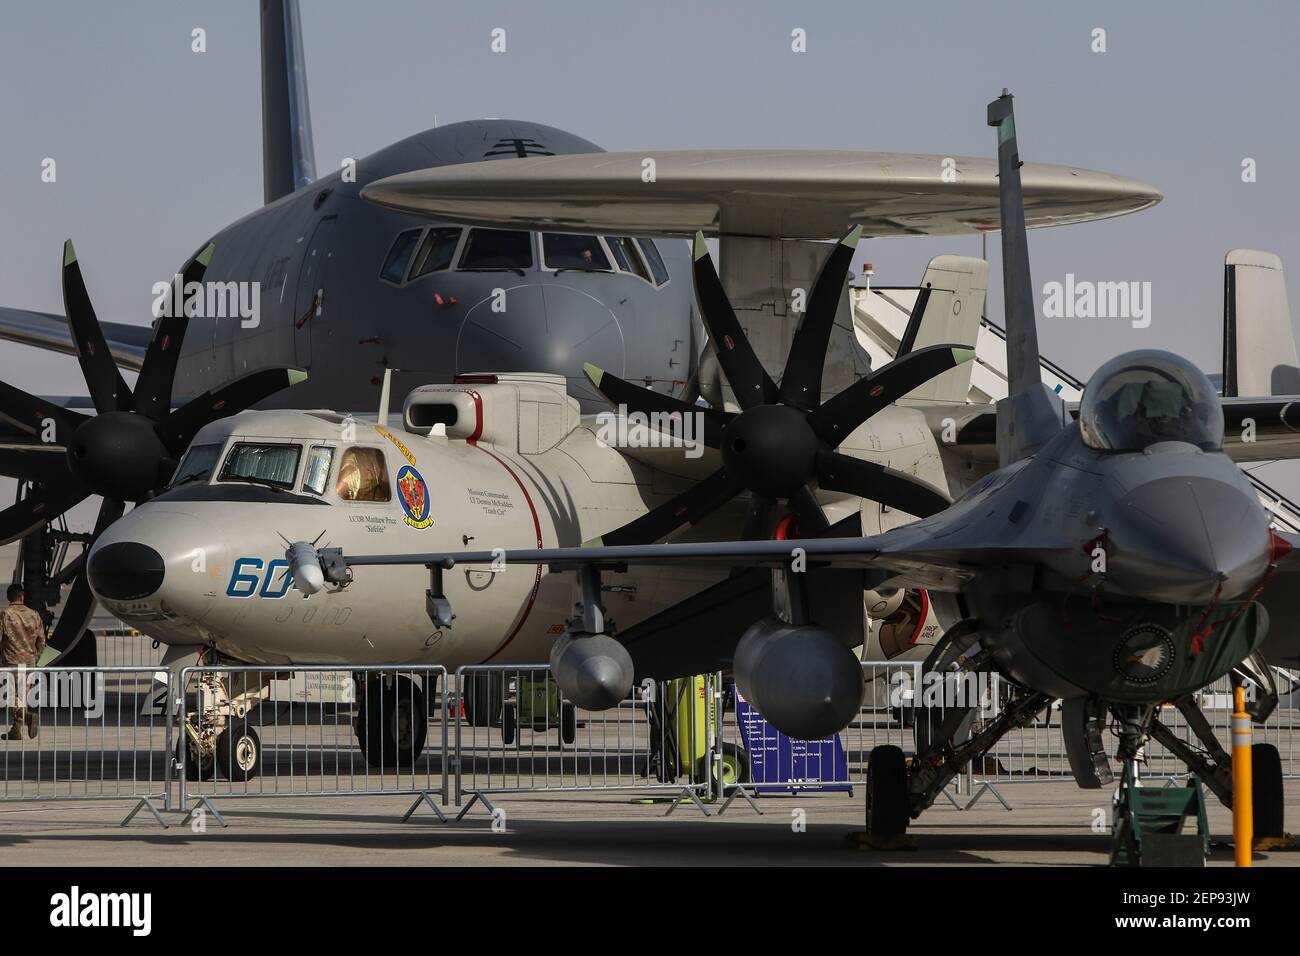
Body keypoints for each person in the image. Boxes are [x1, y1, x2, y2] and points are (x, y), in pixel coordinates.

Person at [1, 583, 46, 740]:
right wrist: (36, 659)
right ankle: (16, 730)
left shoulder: (4, 614)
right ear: (22, 597)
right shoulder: (34, 614)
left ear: (9, 598)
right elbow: (42, 641)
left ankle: (27, 717)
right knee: (22, 697)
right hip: (30, 662)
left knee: (11, 696)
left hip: (11, 661)